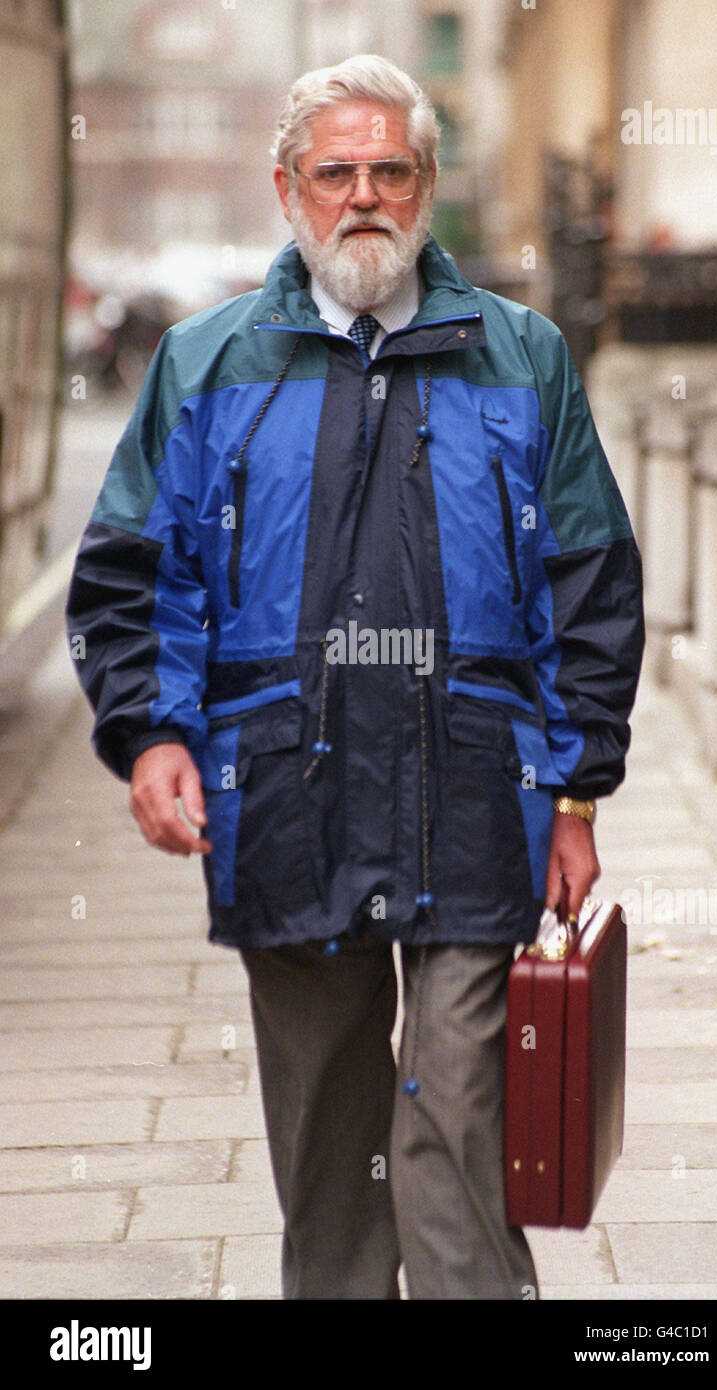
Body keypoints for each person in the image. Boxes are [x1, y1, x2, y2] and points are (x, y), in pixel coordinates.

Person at [66, 54, 644, 1300]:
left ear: (427, 184)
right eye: (338, 173)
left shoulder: (519, 355)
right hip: (281, 800)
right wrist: (155, 736)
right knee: (330, 1147)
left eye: (391, 170)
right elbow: (129, 577)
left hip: (482, 803)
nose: (365, 196)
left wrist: (580, 793)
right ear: (289, 187)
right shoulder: (207, 363)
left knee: (452, 1124)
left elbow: (591, 583)